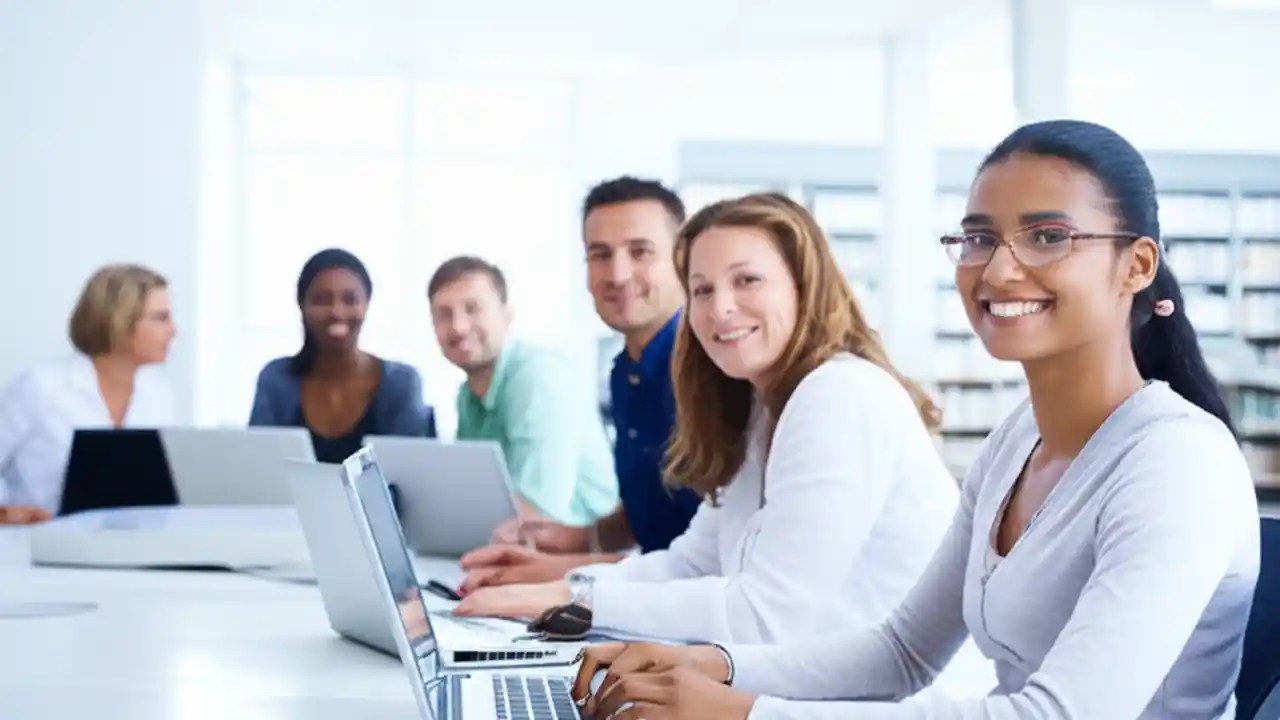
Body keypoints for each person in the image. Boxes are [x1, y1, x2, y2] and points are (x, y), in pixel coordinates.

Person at [570, 120, 1262, 720]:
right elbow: (900, 652)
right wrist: (714, 668)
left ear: (1136, 265)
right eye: (979, 238)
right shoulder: (1018, 441)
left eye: (1048, 236)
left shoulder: (1176, 463)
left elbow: (1061, 714)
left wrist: (745, 710)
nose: (999, 270)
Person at [454, 192, 959, 651]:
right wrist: (553, 592)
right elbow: (691, 563)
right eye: (701, 289)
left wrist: (569, 603)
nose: (720, 308)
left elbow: (764, 618)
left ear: (804, 287)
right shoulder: (764, 409)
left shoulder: (840, 395)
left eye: (747, 280)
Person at [458, 177, 702, 585]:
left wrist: (564, 572)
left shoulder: (708, 373)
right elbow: (659, 511)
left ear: (682, 258)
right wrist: (584, 538)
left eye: (640, 252)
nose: (618, 273)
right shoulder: (625, 372)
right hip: (652, 596)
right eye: (600, 255)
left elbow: (707, 559)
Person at [428, 255, 618, 527]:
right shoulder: (467, 396)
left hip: (585, 552)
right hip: (522, 547)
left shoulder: (538, 376)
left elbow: (539, 513)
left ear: (507, 316)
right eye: (444, 314)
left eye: (473, 309)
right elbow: (473, 500)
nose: (458, 326)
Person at [0, 263, 177, 522]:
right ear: (118, 321)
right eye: (161, 318)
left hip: (125, 551)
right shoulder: (42, 387)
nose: (174, 331)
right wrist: (4, 514)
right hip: (31, 549)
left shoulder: (158, 393)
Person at [250, 248, 435, 463]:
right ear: (302, 305)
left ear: (366, 304)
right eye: (321, 300)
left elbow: (410, 476)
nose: (336, 312)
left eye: (350, 299)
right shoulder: (277, 379)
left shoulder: (401, 382)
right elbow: (259, 466)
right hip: (291, 498)